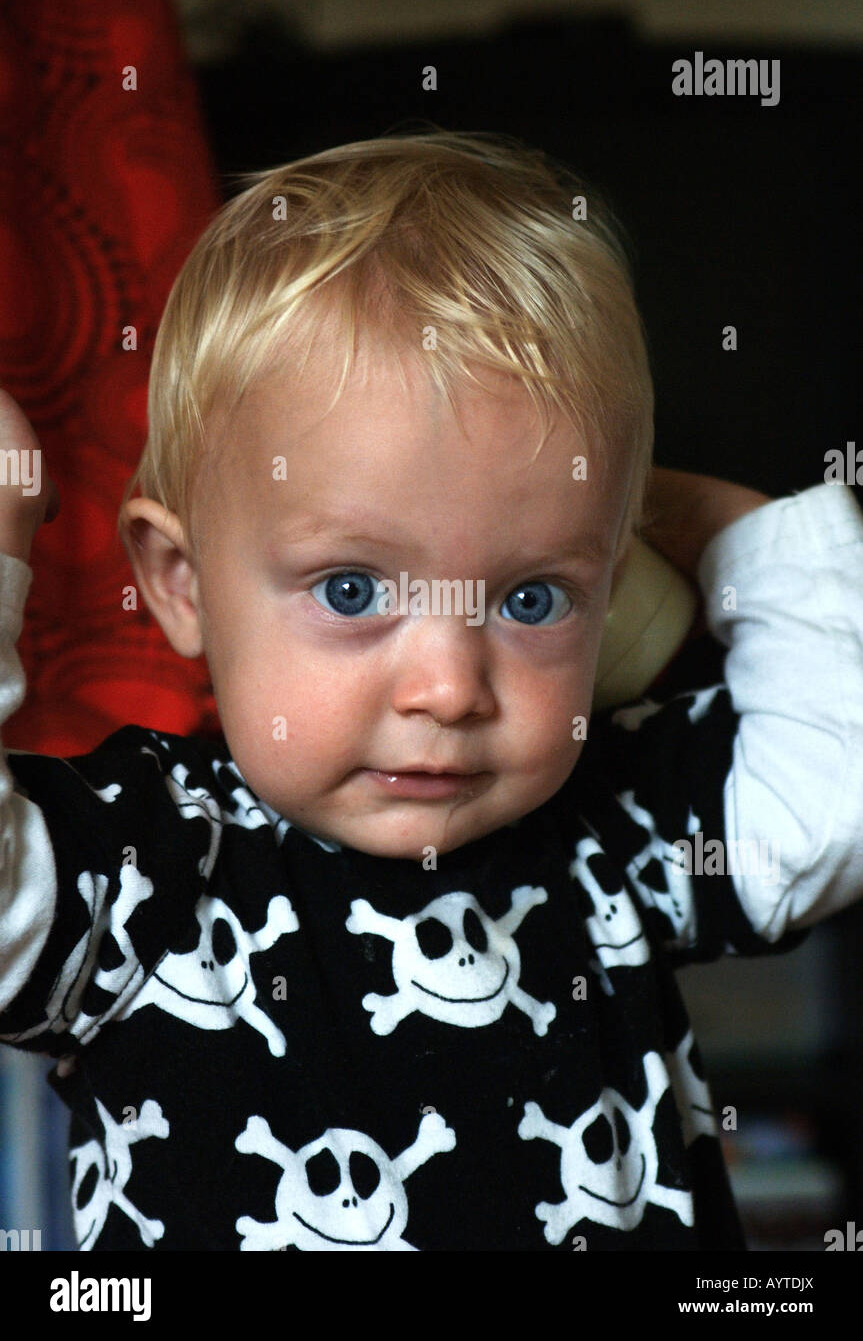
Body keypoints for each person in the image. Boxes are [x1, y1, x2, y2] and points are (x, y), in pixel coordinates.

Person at [1, 130, 861, 1251]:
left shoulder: (615, 829)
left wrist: (744, 529)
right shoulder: (149, 867)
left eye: (533, 599)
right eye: (352, 587)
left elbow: (833, 799)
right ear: (183, 583)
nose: (450, 687)